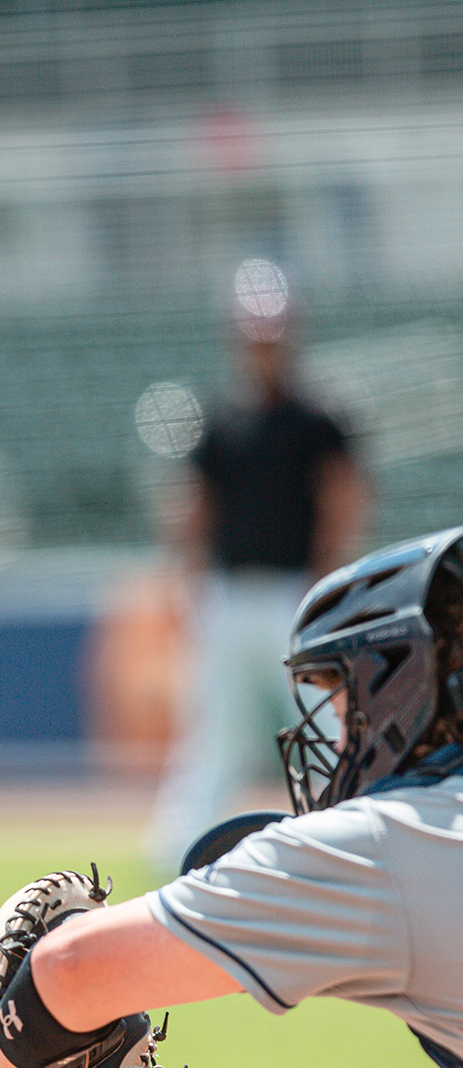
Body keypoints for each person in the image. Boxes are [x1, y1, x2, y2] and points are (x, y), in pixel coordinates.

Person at [0, 526, 463, 1068]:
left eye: (345, 715)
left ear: (407, 694)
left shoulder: (389, 842)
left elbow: (70, 967)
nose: (340, 744)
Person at [143, 257, 369, 873]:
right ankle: (180, 852)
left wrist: (323, 582)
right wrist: (188, 578)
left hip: (292, 595)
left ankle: (348, 834)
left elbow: (342, 499)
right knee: (212, 733)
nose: (263, 346)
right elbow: (195, 504)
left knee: (319, 726)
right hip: (229, 592)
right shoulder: (222, 418)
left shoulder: (317, 417)